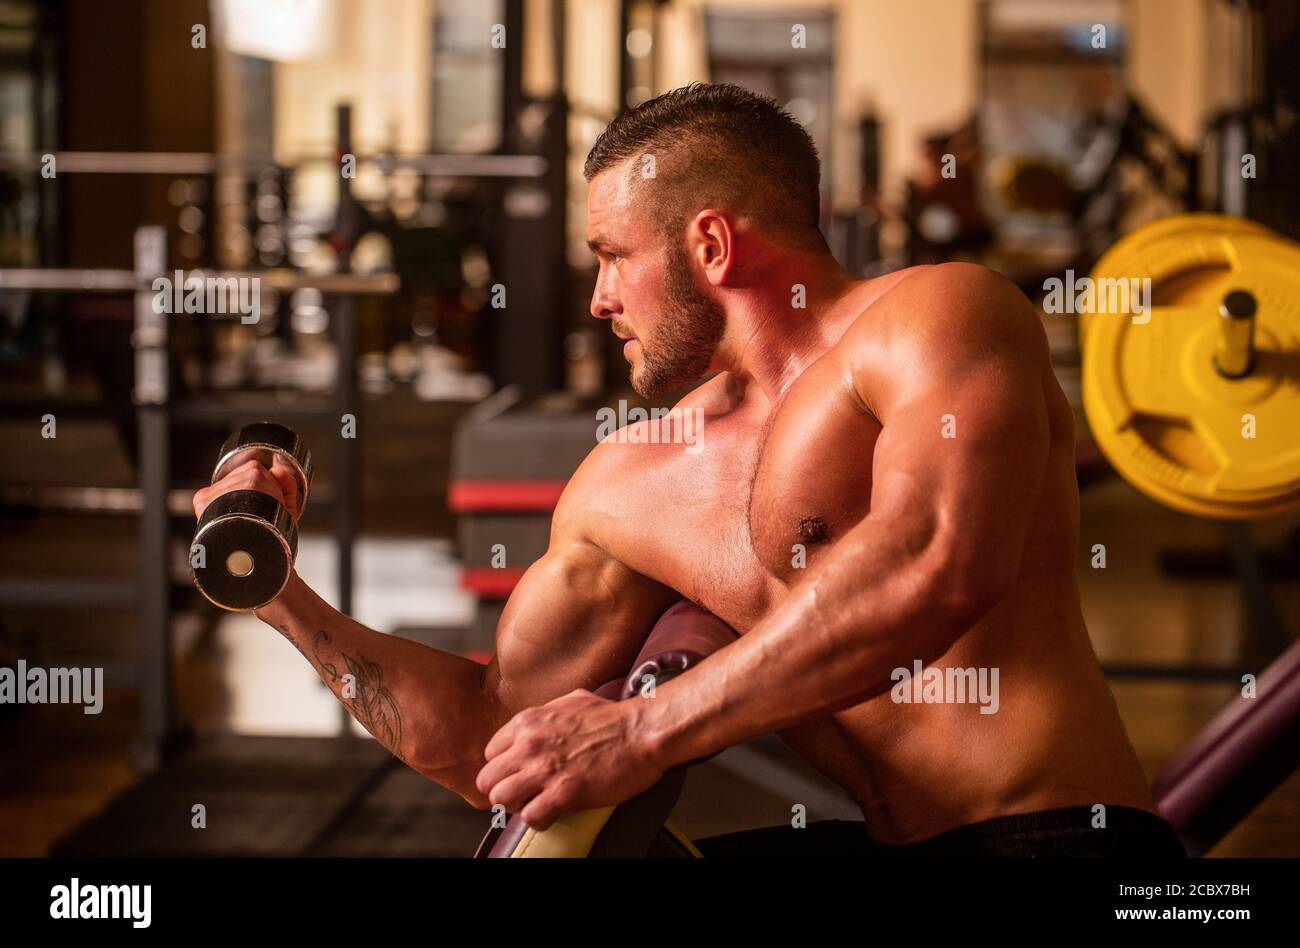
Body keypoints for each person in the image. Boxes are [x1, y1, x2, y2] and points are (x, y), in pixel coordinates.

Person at [194, 83, 1183, 857]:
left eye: (612, 256)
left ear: (709, 243)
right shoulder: (629, 481)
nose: (597, 299)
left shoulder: (936, 317)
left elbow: (932, 565)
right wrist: (279, 594)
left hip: (1052, 841)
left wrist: (638, 732)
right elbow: (488, 740)